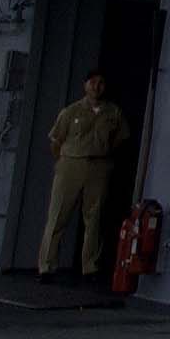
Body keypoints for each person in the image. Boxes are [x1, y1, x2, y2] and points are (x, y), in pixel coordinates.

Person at [35, 70, 127, 283]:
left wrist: (104, 152)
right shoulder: (71, 111)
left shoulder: (113, 112)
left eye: (101, 82)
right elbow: (56, 140)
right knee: (58, 216)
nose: (97, 86)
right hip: (71, 164)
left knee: (94, 218)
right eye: (92, 82)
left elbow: (120, 138)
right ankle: (46, 266)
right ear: (85, 85)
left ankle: (90, 267)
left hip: (99, 166)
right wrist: (64, 162)